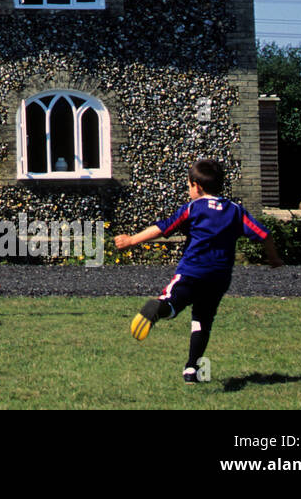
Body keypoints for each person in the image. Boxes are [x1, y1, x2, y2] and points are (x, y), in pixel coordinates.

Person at [114, 157, 282, 382]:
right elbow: (264, 235)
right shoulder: (235, 211)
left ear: (197, 186)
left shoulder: (193, 208)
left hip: (192, 271)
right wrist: (273, 259)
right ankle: (192, 369)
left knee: (173, 303)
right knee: (202, 320)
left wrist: (132, 240)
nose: (188, 191)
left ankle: (160, 307)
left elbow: (163, 228)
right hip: (219, 277)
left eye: (188, 186)